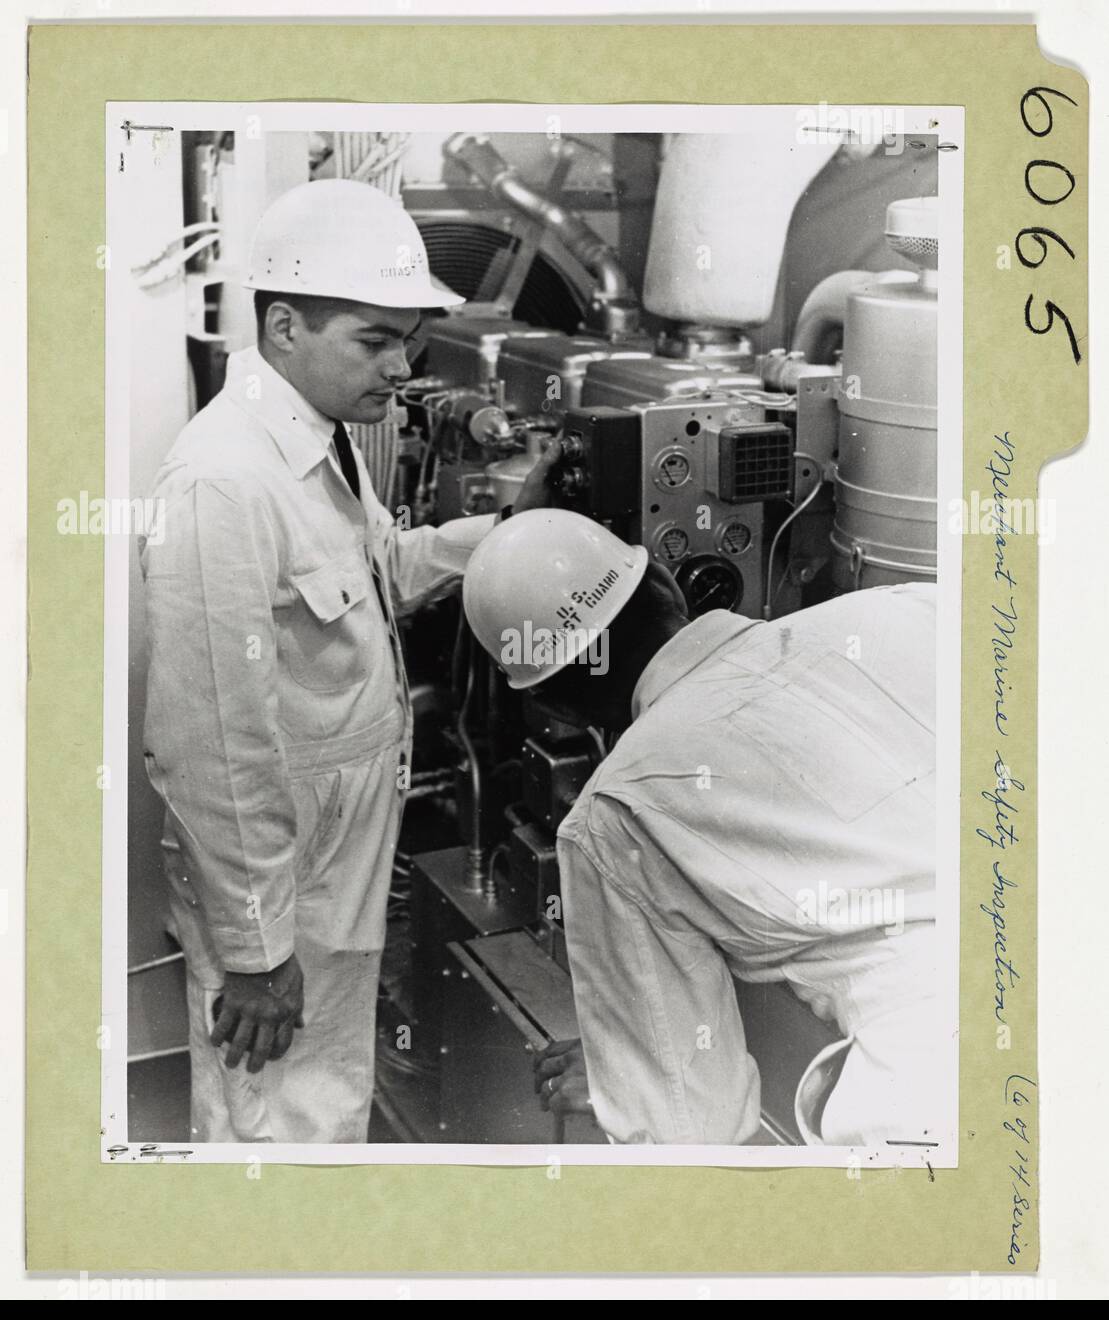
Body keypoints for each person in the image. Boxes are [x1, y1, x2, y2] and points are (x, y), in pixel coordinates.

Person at [140, 178, 552, 1143]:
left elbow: (377, 570)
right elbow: (211, 749)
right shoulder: (223, 484)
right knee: (275, 1118)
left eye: (406, 340)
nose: (402, 367)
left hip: (330, 850)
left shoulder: (316, 443)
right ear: (283, 327)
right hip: (279, 870)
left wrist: (501, 534)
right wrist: (253, 951)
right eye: (374, 340)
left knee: (319, 1090)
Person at [463, 509, 946, 1146]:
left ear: (549, 701)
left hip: (936, 1078)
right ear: (665, 579)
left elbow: (687, 1126)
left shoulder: (615, 819)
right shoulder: (907, 605)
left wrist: (627, 1072)